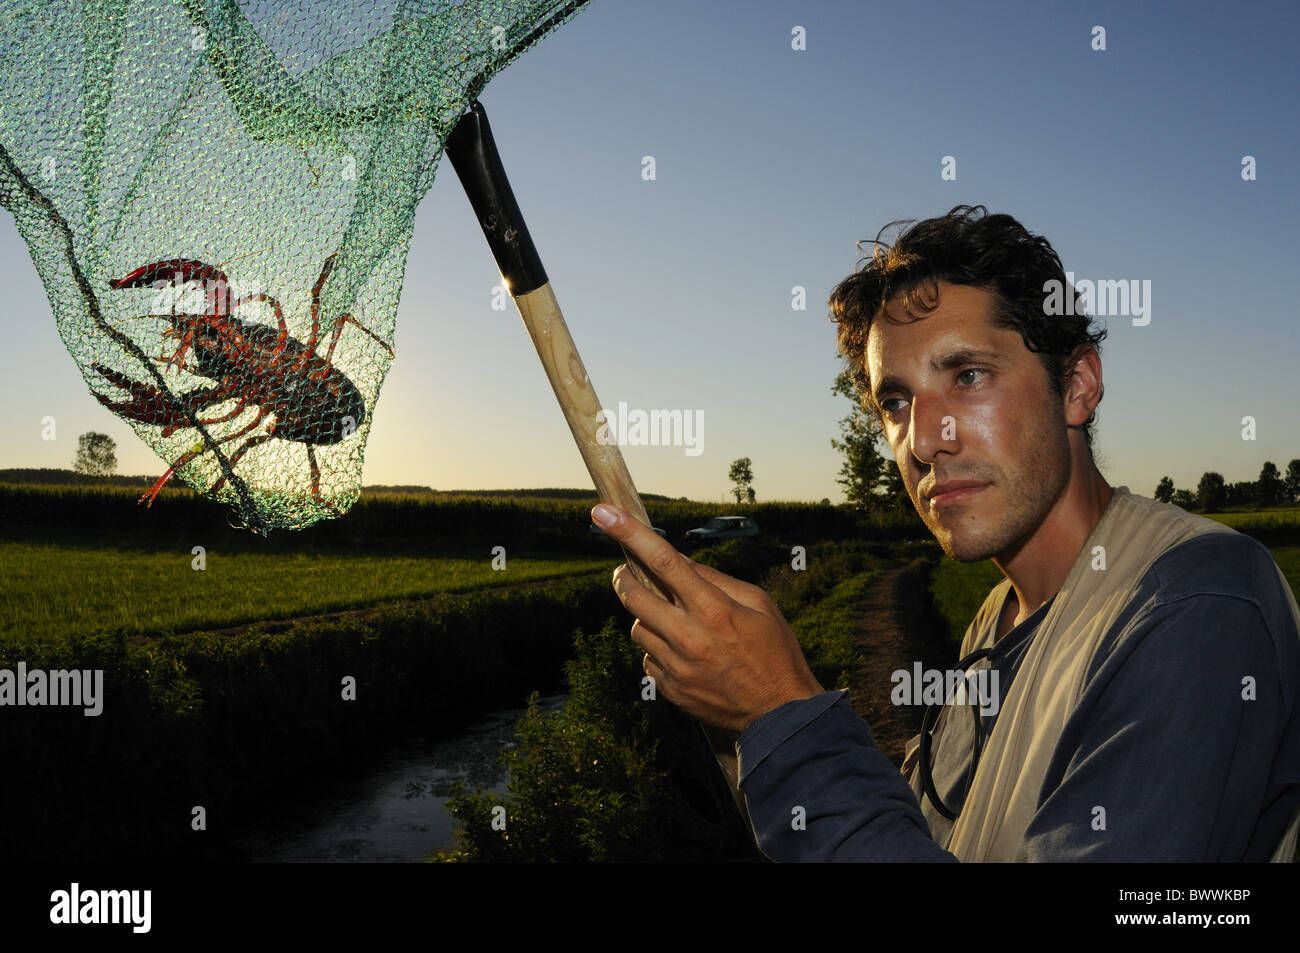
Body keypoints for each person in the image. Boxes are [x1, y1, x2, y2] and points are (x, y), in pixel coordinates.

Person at [590, 205, 1300, 861]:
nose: (925, 438)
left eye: (967, 374)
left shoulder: (1198, 606)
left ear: (1078, 383)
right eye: (895, 401)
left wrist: (784, 713)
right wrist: (747, 713)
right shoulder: (995, 618)